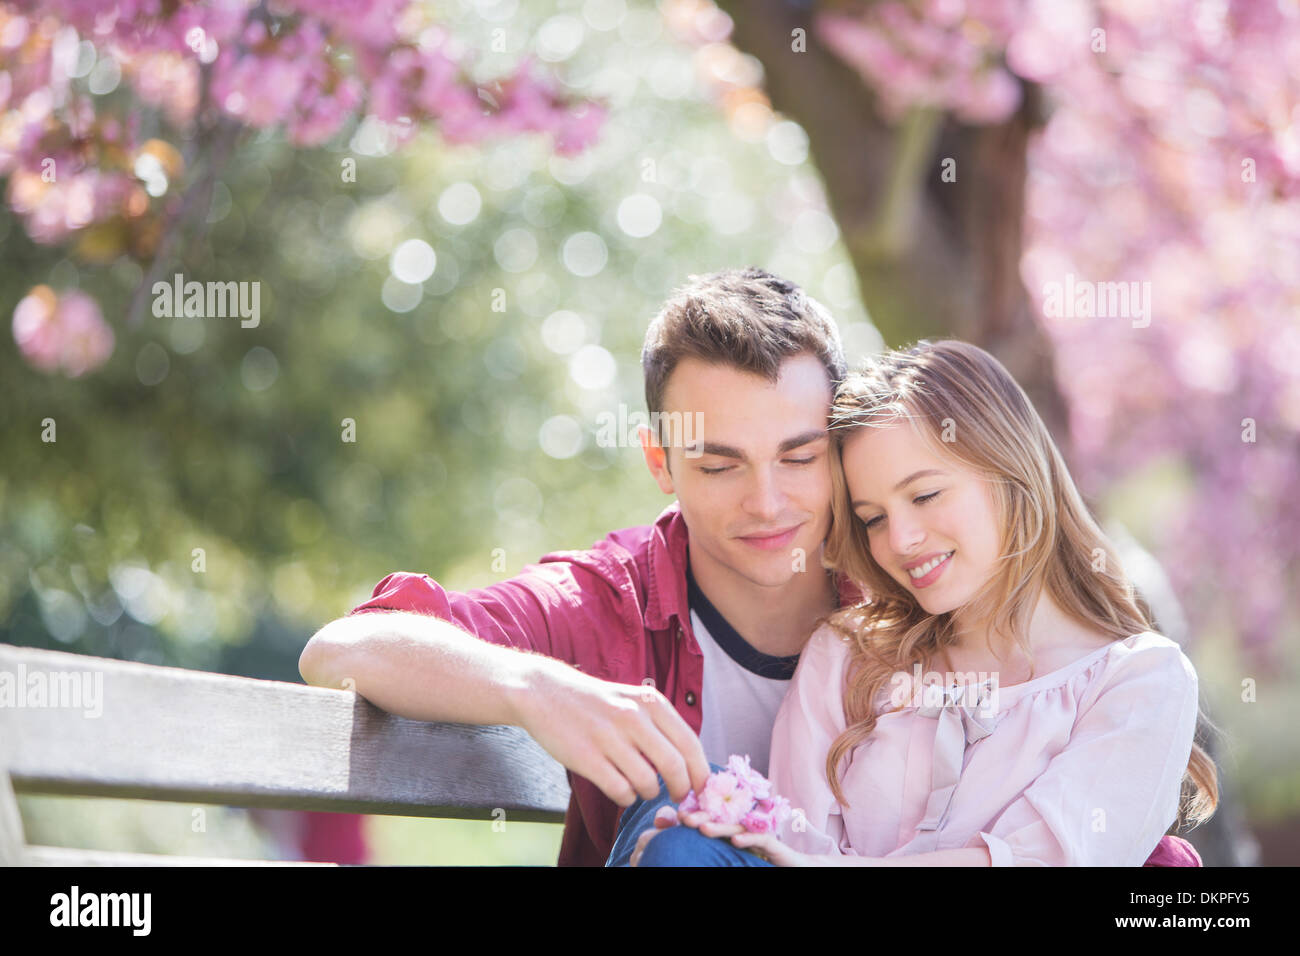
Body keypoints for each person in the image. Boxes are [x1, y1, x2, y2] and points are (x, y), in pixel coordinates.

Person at [299, 267, 861, 866]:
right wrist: (534, 688)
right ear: (660, 463)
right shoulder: (608, 599)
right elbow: (341, 650)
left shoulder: (909, 595)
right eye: (720, 466)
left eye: (800, 457)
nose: (767, 503)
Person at [619, 340, 1218, 866]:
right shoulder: (848, 656)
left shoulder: (1140, 679)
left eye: (926, 495)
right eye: (873, 519)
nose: (899, 541)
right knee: (676, 816)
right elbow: (791, 841)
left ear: (1012, 471)